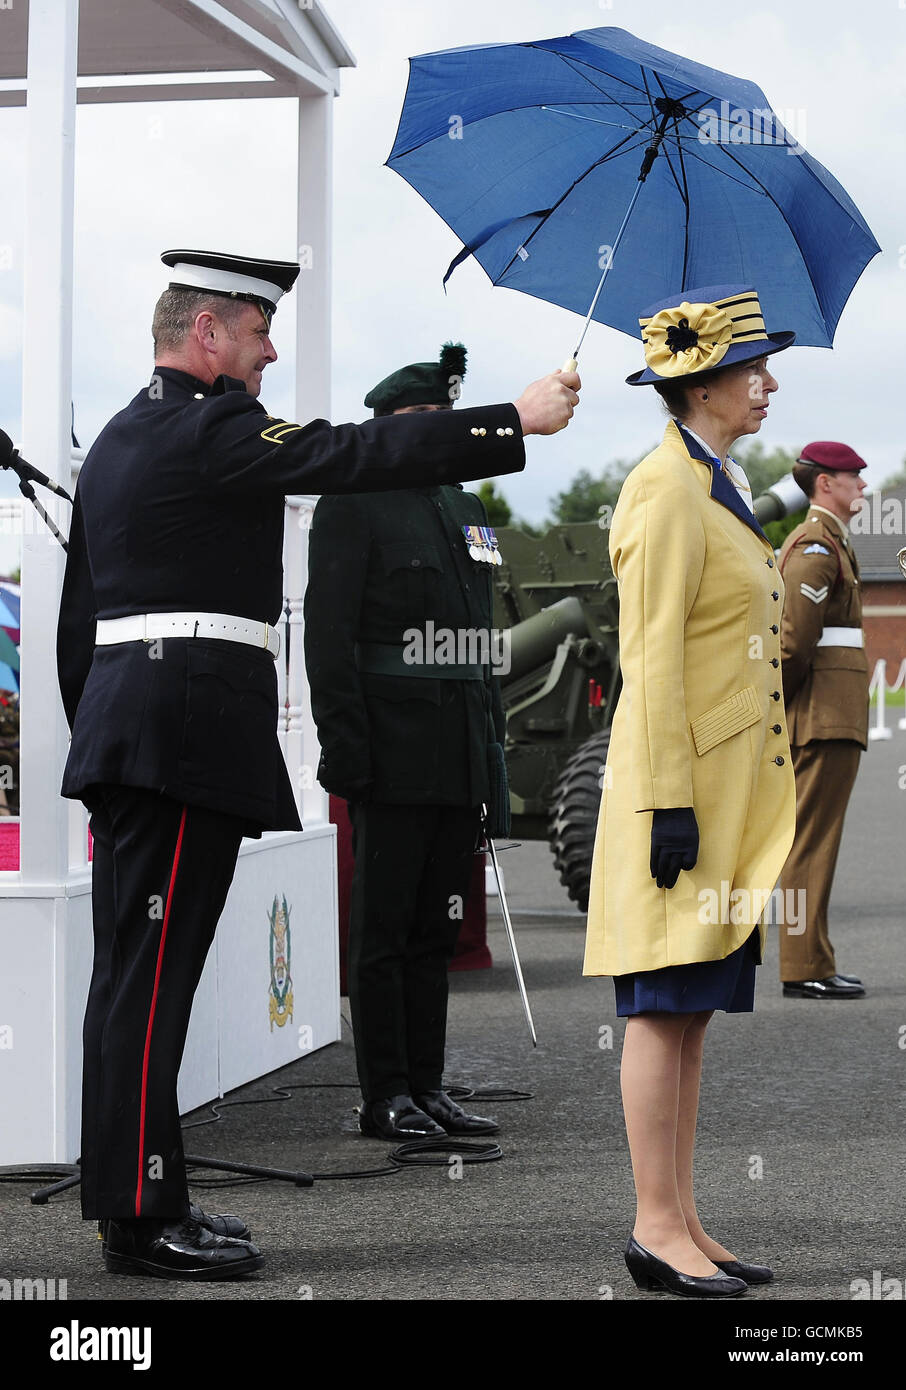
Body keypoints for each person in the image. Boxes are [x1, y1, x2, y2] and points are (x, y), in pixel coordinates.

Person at [56, 248, 580, 1280]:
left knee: (136, 984)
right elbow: (347, 453)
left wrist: (102, 739)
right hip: (179, 739)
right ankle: (141, 1214)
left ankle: (143, 1201)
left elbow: (79, 623)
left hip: (137, 735)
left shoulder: (122, 437)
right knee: (152, 987)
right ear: (207, 333)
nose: (270, 351)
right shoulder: (211, 426)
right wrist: (507, 421)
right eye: (256, 334)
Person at [583, 285, 797, 1297]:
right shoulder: (664, 489)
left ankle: (680, 1217)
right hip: (682, 800)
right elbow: (650, 656)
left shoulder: (713, 479)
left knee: (693, 1010)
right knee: (661, 1009)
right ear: (701, 384)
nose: (767, 383)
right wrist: (667, 799)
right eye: (752, 369)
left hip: (721, 800)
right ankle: (652, 1224)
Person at [304, 343, 505, 1141]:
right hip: (389, 749)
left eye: (444, 422)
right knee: (383, 932)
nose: (440, 433)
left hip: (456, 751)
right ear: (386, 428)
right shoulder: (352, 503)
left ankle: (428, 1085)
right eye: (424, 422)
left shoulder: (465, 508)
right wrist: (346, 751)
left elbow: (481, 641)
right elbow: (329, 639)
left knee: (437, 929)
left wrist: (489, 754)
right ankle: (382, 1093)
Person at [777, 442, 869, 999]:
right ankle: (803, 965)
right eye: (852, 477)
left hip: (832, 716)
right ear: (824, 484)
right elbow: (793, 642)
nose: (861, 486)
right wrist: (780, 709)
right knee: (810, 843)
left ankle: (815, 958)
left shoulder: (832, 540)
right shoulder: (814, 544)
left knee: (817, 842)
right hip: (819, 716)